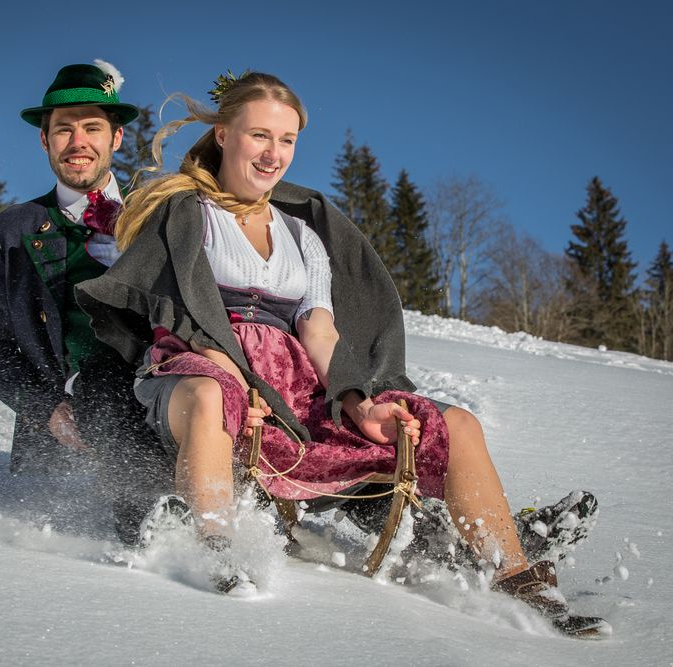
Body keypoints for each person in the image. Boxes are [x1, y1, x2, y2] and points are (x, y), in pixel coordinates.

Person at [76, 71, 607, 637]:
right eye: (259, 136)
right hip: (200, 360)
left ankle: (516, 574)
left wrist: (357, 403)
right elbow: (183, 313)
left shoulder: (303, 236)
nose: (273, 153)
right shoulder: (186, 213)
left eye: (286, 140)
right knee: (212, 396)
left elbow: (320, 330)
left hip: (292, 379)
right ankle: (219, 547)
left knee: (453, 423)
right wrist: (241, 382)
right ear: (224, 135)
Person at [0, 61, 170, 542]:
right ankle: (155, 540)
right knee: (102, 389)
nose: (78, 142)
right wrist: (49, 412)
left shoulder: (163, 213)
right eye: (64, 129)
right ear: (45, 140)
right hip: (78, 410)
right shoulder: (9, 231)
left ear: (116, 138)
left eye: (93, 127)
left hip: (170, 387)